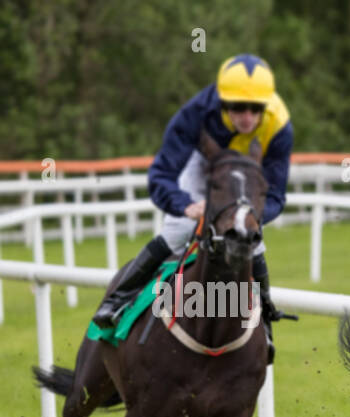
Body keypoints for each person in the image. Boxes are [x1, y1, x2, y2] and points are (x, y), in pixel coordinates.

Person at [91, 53, 294, 358]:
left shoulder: (279, 126)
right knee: (178, 230)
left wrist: (246, 216)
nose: (248, 117)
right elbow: (161, 176)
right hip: (204, 168)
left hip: (246, 178)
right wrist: (184, 205)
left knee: (253, 242)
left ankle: (265, 322)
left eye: (256, 108)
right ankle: (116, 301)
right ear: (222, 101)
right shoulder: (196, 114)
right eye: (238, 107)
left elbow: (276, 194)